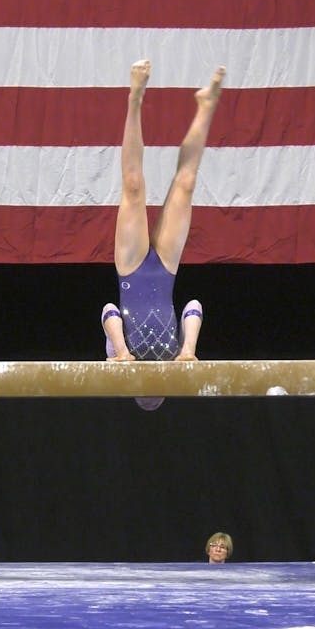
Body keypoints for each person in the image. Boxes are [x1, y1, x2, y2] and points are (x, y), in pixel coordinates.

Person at [101, 60, 225, 410]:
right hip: (165, 271)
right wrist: (188, 352)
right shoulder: (175, 357)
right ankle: (206, 107)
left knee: (133, 187)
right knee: (185, 185)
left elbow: (110, 310)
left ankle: (135, 99)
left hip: (131, 269)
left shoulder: (118, 356)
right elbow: (194, 307)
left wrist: (123, 354)